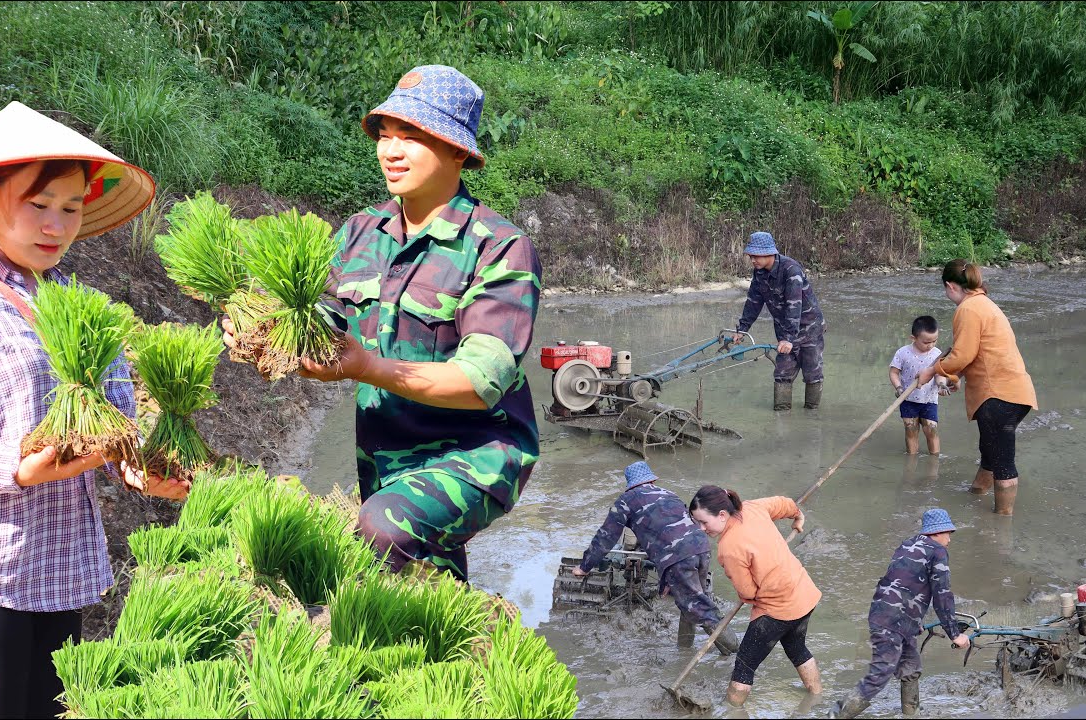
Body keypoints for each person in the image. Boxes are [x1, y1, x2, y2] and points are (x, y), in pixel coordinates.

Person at [0, 101, 188, 719]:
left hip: (58, 582)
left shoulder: (86, 310)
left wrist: (141, 471)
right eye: (40, 204)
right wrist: (21, 467)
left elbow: (112, 433)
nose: (57, 224)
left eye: (72, 208)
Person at [223, 65, 541, 582]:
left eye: (411, 136)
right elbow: (324, 322)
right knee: (418, 575)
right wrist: (267, 333)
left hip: (477, 455)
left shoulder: (497, 245)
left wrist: (367, 366)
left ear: (458, 151)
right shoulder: (359, 232)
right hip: (385, 459)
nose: (390, 150)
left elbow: (481, 382)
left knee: (384, 528)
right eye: (385, 135)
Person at [571, 461, 738, 655]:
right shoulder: (669, 494)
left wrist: (584, 566)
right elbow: (675, 525)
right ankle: (684, 650)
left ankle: (735, 654)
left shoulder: (625, 501)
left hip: (678, 555)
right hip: (700, 546)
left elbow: (606, 537)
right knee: (693, 601)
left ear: (631, 484)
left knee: (699, 607)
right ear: (651, 480)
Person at [915, 261, 1037, 516]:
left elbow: (961, 356)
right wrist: (952, 377)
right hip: (1013, 392)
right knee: (990, 450)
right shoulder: (984, 304)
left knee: (1002, 460)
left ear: (950, 286)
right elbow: (974, 356)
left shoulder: (968, 309)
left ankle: (1002, 523)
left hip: (999, 395)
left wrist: (931, 371)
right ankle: (976, 494)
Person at [688, 486, 823, 707]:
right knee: (797, 648)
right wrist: (797, 516)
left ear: (722, 515)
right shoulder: (753, 508)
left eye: (704, 522)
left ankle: (732, 711)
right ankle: (817, 697)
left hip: (777, 609)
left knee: (744, 667)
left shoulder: (728, 548)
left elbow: (748, 593)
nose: (702, 529)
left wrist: (751, 595)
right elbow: (784, 503)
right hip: (804, 594)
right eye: (697, 523)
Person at [830, 509, 970, 719]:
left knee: (911, 667)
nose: (949, 539)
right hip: (892, 622)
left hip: (887, 614)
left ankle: (911, 714)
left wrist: (915, 619)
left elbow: (904, 583)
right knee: (881, 672)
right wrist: (955, 634)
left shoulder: (907, 544)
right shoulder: (937, 551)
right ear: (937, 532)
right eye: (948, 533)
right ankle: (836, 715)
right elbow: (943, 596)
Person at [730, 231, 826, 411]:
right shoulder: (759, 273)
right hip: (785, 330)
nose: (752, 260)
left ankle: (812, 416)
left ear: (769, 253)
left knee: (812, 374)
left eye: (756, 256)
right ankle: (782, 414)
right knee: (782, 373)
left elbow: (794, 305)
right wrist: (742, 330)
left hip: (809, 329)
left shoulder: (791, 271)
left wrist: (789, 338)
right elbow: (753, 302)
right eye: (751, 256)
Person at [889, 315, 947, 455]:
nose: (931, 345)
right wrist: (898, 388)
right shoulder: (903, 353)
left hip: (929, 400)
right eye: (926, 342)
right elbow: (893, 372)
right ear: (913, 338)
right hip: (908, 399)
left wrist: (941, 385)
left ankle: (934, 457)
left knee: (931, 429)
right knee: (911, 428)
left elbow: (940, 374)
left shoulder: (937, 354)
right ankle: (912, 457)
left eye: (934, 341)